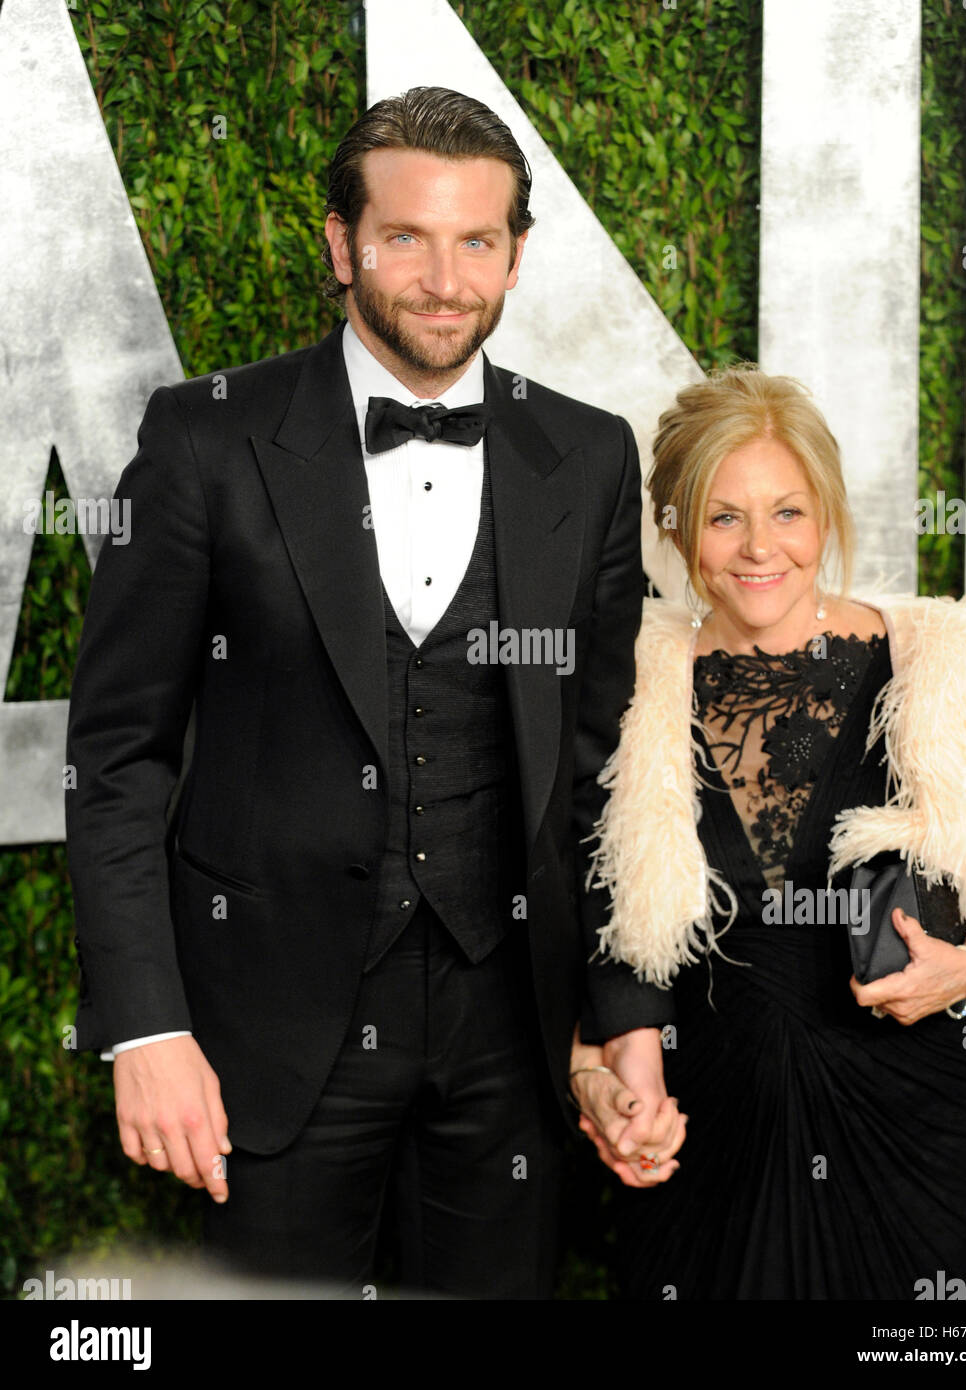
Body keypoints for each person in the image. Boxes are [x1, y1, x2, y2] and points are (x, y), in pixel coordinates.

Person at [64, 85, 683, 1300]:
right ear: (342, 245)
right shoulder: (205, 441)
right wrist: (143, 1027)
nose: (445, 280)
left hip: (509, 1033)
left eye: (477, 241)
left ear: (515, 254)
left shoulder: (592, 454)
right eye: (406, 236)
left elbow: (607, 774)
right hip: (265, 1032)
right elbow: (118, 754)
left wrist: (624, 1022)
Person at [570, 365, 966, 1298]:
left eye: (787, 512)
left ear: (826, 516)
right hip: (703, 1124)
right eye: (722, 516)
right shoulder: (621, 691)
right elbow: (580, 918)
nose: (759, 549)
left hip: (913, 1126)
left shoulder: (941, 667)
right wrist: (598, 1075)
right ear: (675, 528)